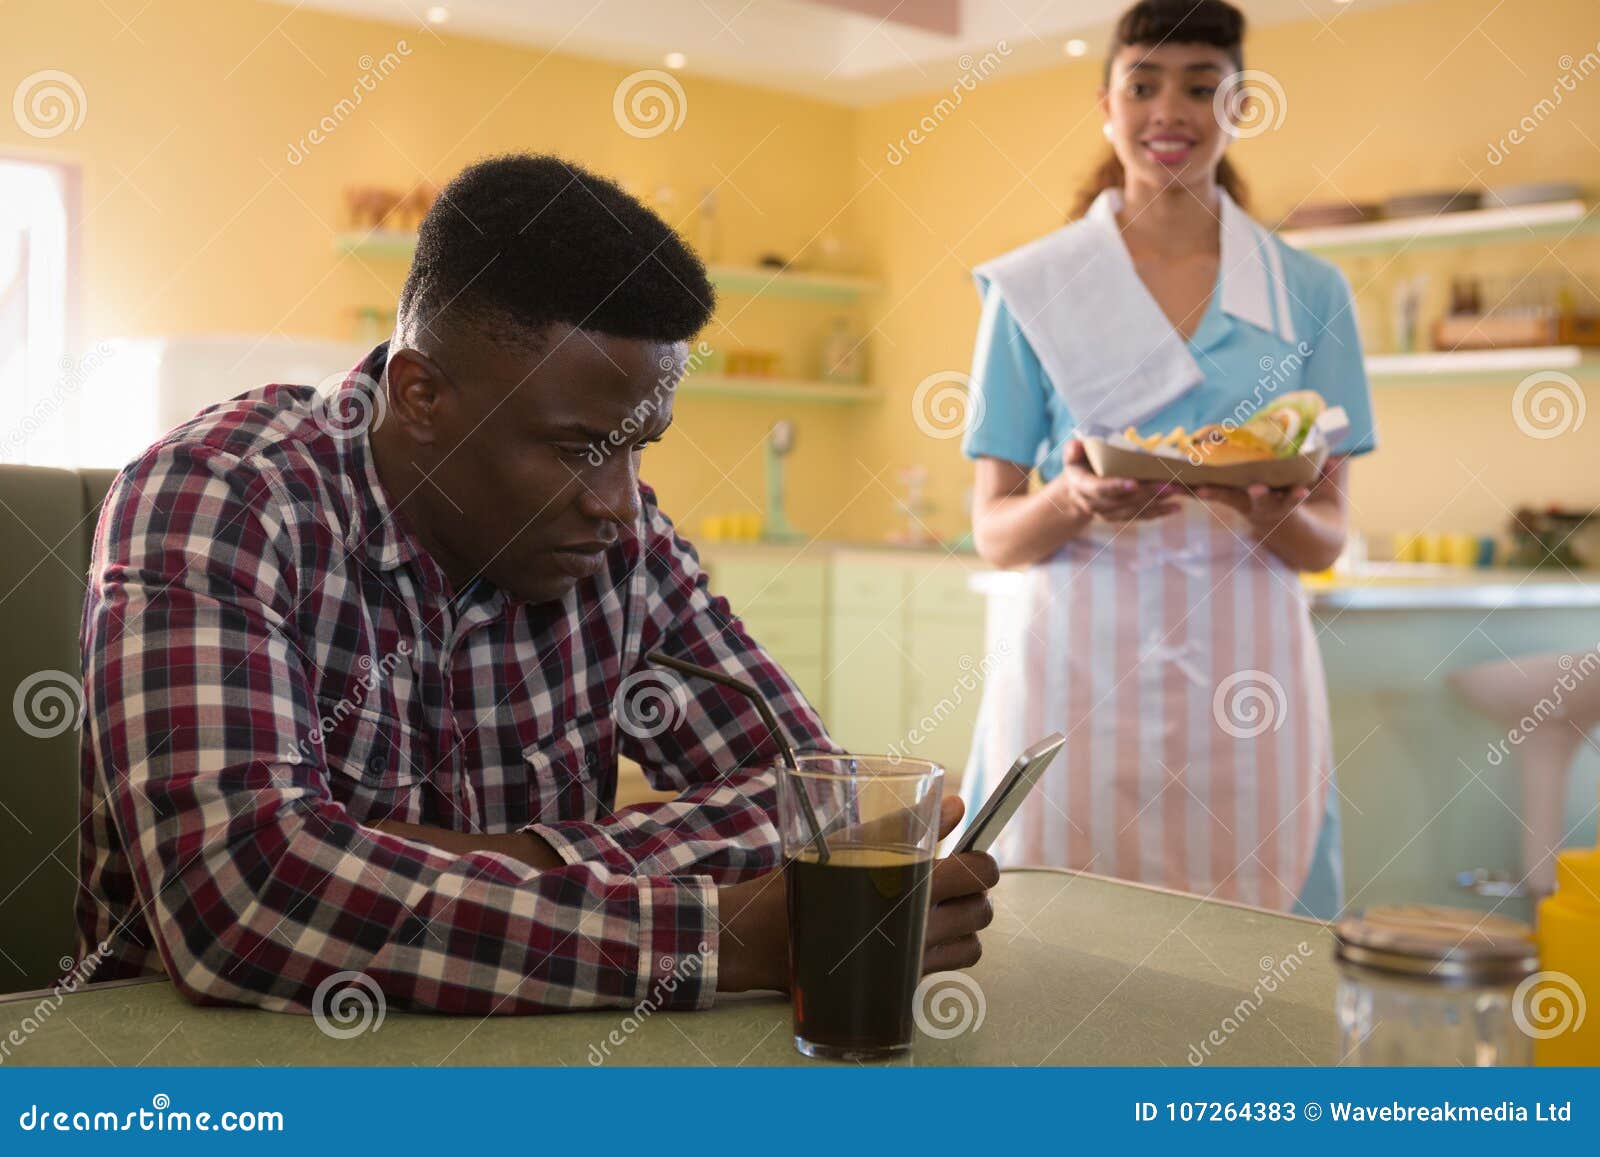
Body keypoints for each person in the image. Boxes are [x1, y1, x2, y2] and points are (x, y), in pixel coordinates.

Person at [78, 153, 998, 1014]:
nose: (621, 506)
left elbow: (809, 800)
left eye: (638, 449)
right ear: (422, 395)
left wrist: (479, 861)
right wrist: (721, 935)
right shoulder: (219, 500)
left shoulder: (617, 541)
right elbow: (246, 900)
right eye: (576, 451)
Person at [959, 0, 1377, 918]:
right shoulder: (1036, 289)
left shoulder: (1310, 294)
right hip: (1077, 649)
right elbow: (993, 531)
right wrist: (1073, 498)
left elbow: (1327, 537)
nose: (1170, 111)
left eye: (1202, 85)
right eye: (1142, 84)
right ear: (1104, 104)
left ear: (1240, 103)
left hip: (1249, 655)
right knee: (1059, 918)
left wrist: (1269, 508)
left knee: (1251, 916)